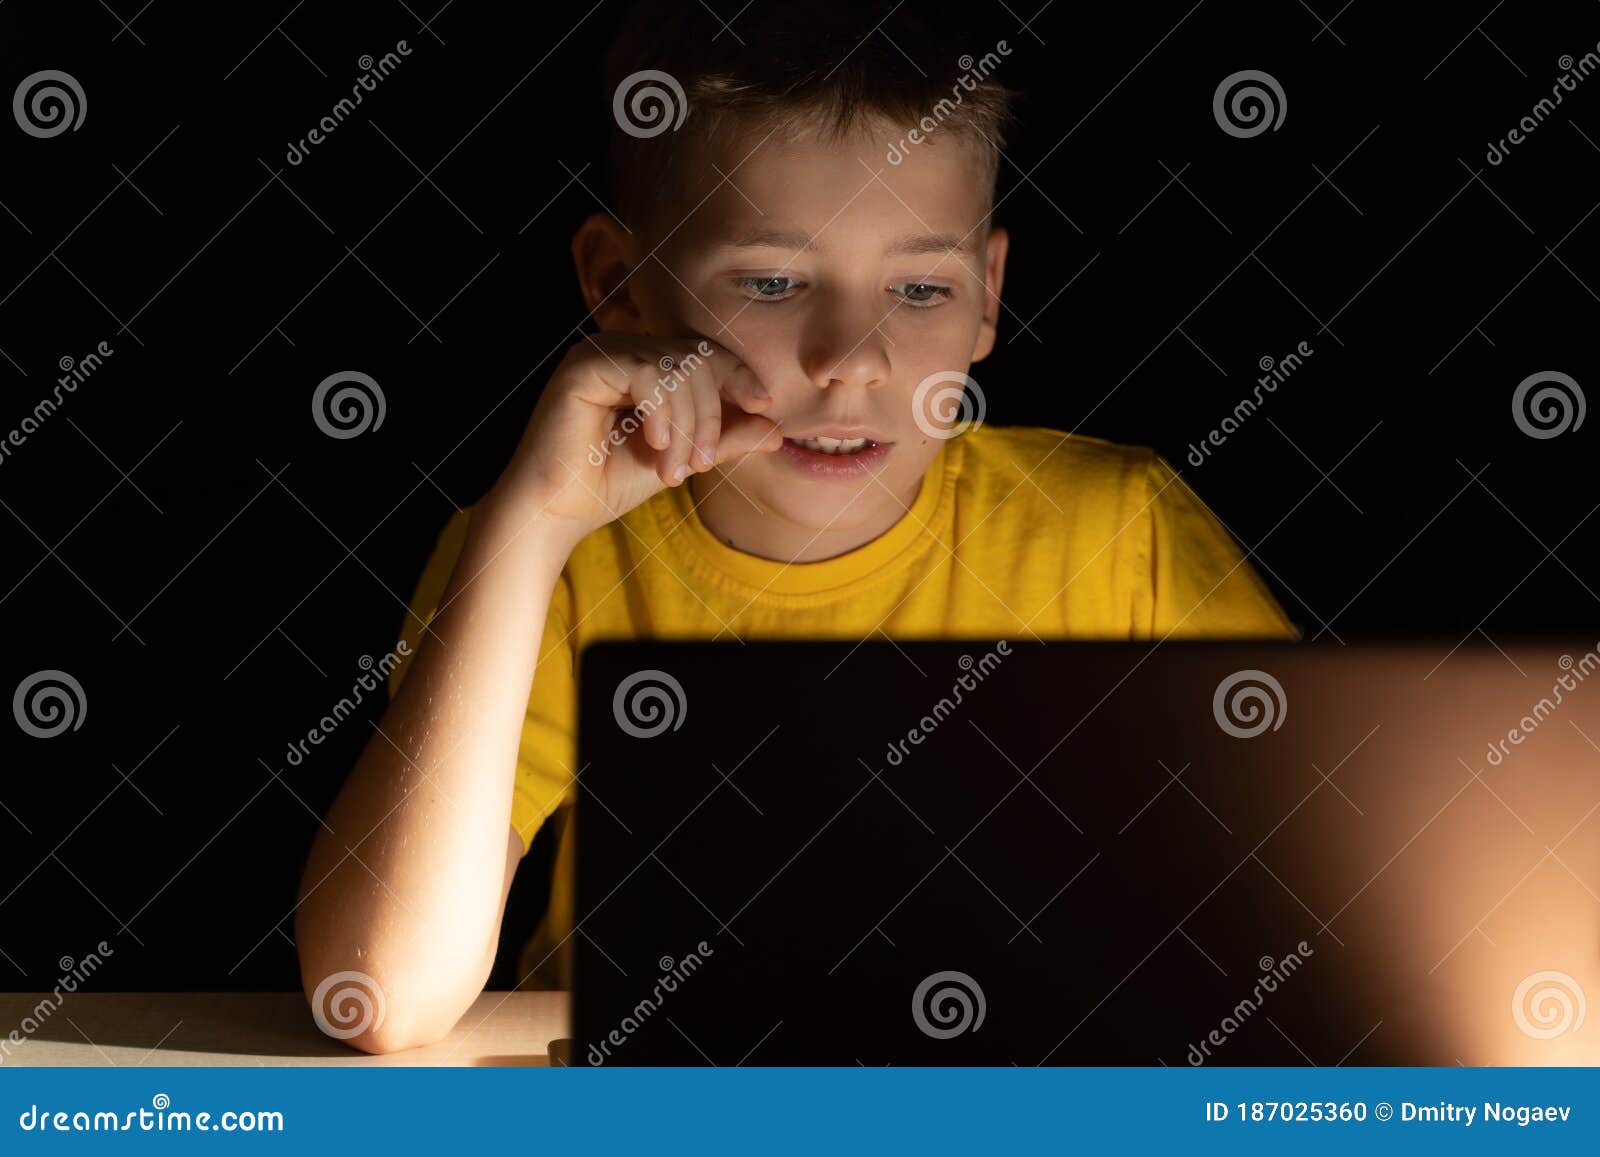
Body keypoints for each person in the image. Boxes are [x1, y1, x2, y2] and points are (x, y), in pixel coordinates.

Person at [294, 0, 1297, 1054]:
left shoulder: (1118, 532)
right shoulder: (552, 562)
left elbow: (1326, 918)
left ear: (988, 293)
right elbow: (381, 990)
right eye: (772, 281)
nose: (851, 358)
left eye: (919, 286)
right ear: (619, 283)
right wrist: (531, 527)